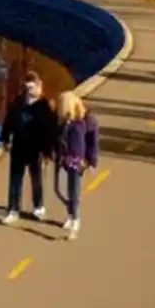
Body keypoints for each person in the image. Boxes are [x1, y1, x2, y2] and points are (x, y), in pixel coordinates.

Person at [0, 71, 57, 225]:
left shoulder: (45, 106)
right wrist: (5, 138)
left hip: (36, 149)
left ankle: (38, 207)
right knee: (15, 180)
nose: (30, 91)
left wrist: (48, 152)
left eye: (33, 88)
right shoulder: (18, 103)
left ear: (39, 87)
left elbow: (51, 131)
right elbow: (8, 122)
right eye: (28, 88)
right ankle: (13, 209)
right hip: (18, 147)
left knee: (36, 179)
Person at [55, 91, 99, 240]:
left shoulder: (86, 120)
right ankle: (70, 214)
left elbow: (93, 142)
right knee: (61, 189)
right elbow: (57, 138)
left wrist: (92, 160)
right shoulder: (63, 122)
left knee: (75, 191)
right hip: (64, 159)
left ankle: (76, 219)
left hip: (78, 161)